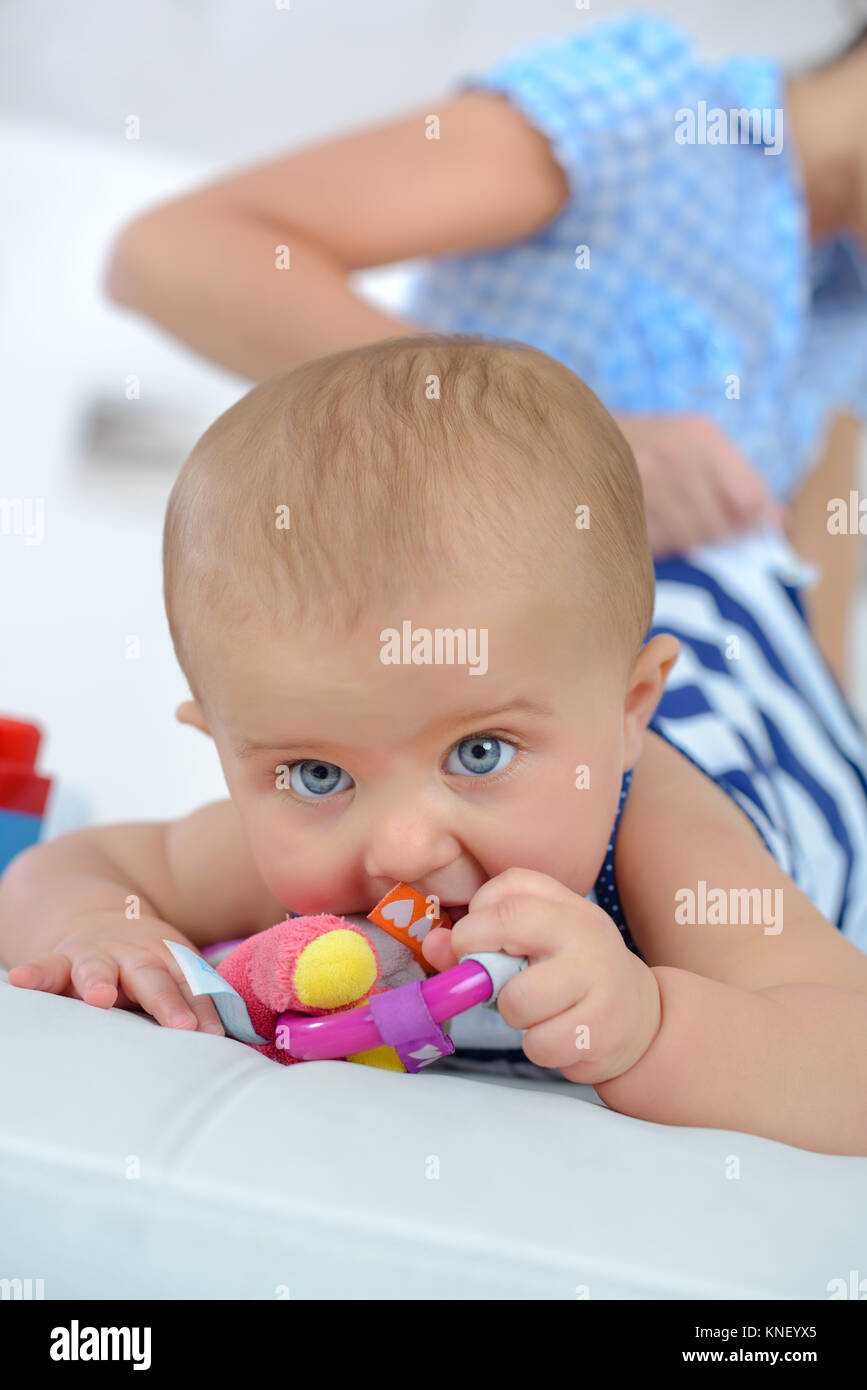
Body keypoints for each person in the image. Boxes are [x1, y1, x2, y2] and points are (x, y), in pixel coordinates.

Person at [2, 335, 867, 1154]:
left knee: (780, 603)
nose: (403, 848)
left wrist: (650, 1025)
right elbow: (64, 869)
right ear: (226, 752)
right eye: (317, 773)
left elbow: (845, 1063)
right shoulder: (298, 844)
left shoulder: (665, 841)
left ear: (630, 711)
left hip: (759, 728)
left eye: (480, 753)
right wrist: (100, 932)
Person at [105, 12, 867, 686]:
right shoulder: (658, 110)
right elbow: (170, 253)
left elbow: (810, 655)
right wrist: (561, 444)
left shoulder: (850, 325)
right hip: (435, 717)